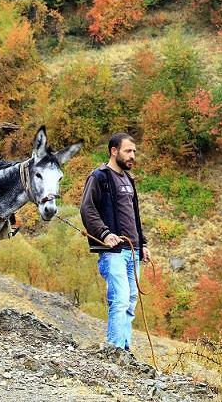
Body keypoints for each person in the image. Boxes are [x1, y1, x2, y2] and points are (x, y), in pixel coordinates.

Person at [80, 132, 151, 350]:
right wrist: (103, 233)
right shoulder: (99, 177)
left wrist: (144, 244)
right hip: (114, 253)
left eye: (134, 152)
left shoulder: (129, 180)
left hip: (133, 251)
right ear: (114, 151)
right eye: (128, 151)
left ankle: (125, 350)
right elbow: (87, 208)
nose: (132, 156)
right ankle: (115, 349)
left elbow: (134, 215)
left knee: (130, 301)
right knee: (119, 300)